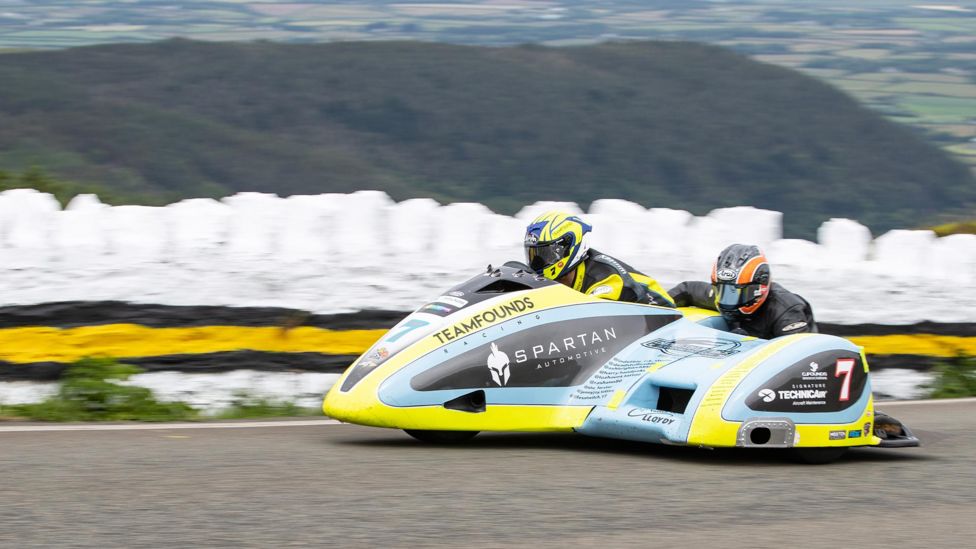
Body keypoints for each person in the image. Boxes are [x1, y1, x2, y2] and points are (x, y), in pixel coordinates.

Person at [523, 211, 674, 306]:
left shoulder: (606, 278)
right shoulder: (563, 277)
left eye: (544, 254)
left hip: (662, 316)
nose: (537, 263)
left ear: (567, 248)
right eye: (533, 255)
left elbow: (587, 319)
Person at [668, 243, 815, 338]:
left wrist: (750, 345)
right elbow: (686, 289)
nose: (726, 299)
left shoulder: (787, 312)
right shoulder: (721, 297)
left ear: (758, 289)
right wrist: (658, 308)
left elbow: (795, 358)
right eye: (721, 289)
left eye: (734, 292)